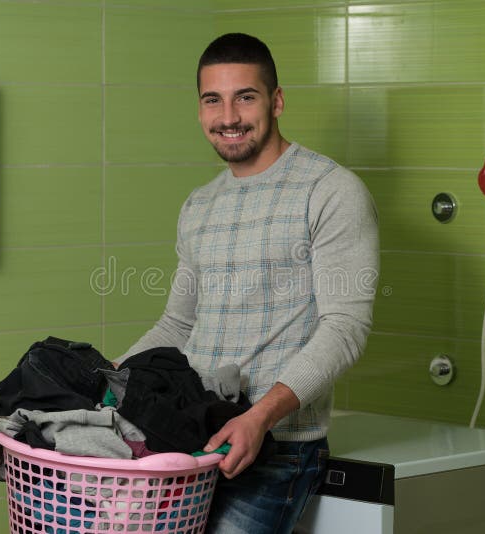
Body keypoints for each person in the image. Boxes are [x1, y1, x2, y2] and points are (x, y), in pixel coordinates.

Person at [115, 33, 379, 533]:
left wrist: (260, 416)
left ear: (276, 101)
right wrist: (111, 375)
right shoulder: (200, 205)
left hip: (276, 449)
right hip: (190, 442)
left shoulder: (331, 191)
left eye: (246, 96)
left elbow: (345, 327)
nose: (229, 117)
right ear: (199, 110)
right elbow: (179, 323)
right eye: (213, 100)